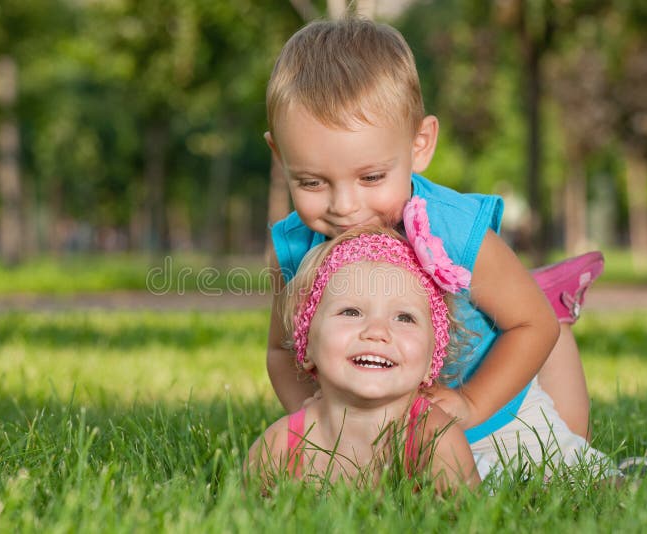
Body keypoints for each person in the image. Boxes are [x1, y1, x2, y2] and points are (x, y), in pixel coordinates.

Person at [264, 17, 605, 454]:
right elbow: (281, 351)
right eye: (312, 182)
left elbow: (531, 325)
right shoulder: (293, 248)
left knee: (566, 462)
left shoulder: (452, 228)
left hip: (491, 401)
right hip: (389, 418)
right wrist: (324, 428)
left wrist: (472, 403)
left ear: (419, 145)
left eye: (370, 176)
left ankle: (546, 296)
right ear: (280, 156)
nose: (344, 206)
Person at [247, 228, 481, 491]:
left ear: (432, 359)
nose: (376, 332)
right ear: (308, 341)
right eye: (351, 311)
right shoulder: (281, 445)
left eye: (404, 317)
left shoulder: (435, 442)